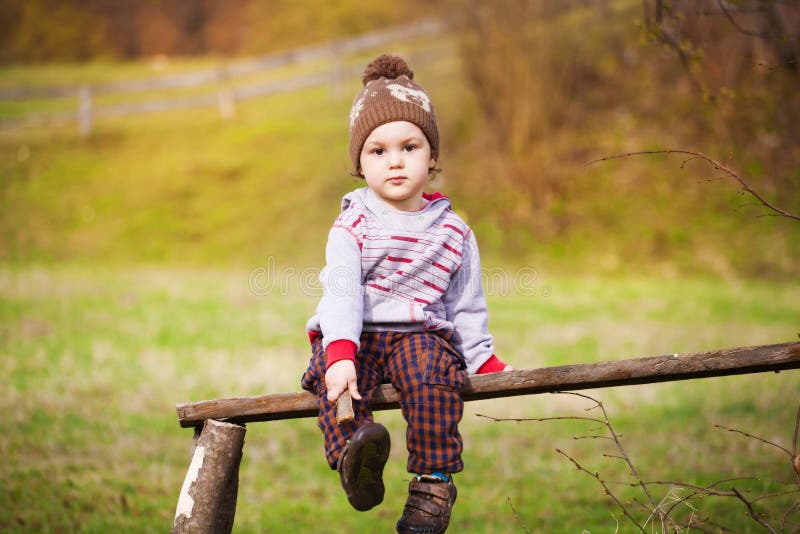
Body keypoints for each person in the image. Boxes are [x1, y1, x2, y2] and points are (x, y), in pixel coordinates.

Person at [301, 53, 512, 534]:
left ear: (431, 155)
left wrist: (481, 358)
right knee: (332, 382)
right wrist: (339, 354)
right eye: (378, 151)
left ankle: (432, 485)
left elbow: (466, 303)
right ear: (359, 162)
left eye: (409, 146)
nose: (395, 160)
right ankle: (358, 454)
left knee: (433, 378)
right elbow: (342, 294)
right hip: (353, 336)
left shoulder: (454, 231)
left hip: (420, 334)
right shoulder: (352, 223)